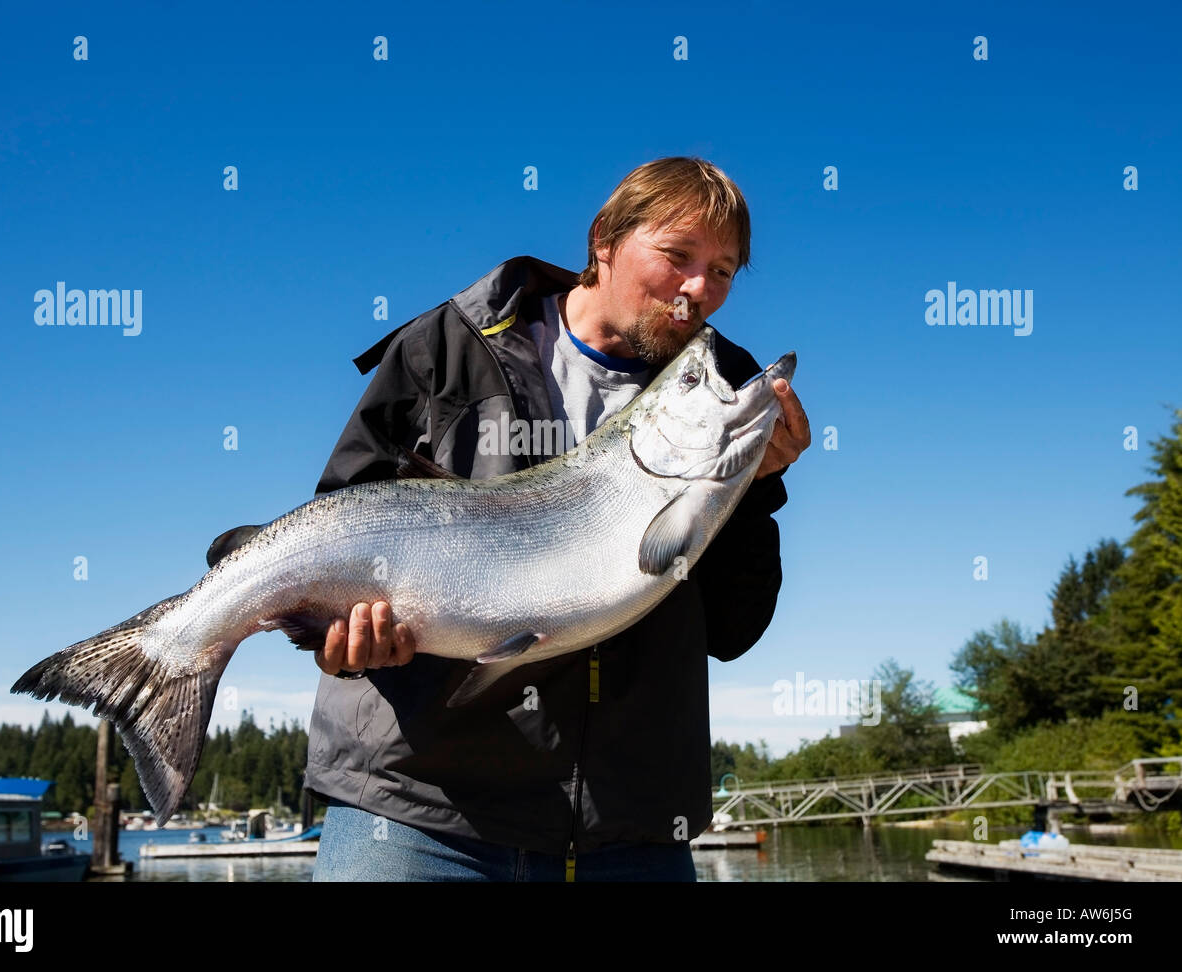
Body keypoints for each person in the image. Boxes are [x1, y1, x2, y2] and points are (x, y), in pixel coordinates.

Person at [207, 157, 810, 881]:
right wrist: (336, 635)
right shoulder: (449, 345)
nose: (698, 292)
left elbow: (733, 631)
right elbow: (346, 519)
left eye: (723, 271)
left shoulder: (719, 385)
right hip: (416, 815)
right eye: (677, 256)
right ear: (604, 243)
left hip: (633, 829)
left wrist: (757, 487)